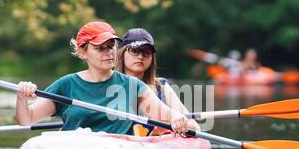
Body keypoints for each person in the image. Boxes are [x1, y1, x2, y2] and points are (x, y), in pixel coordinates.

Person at [14, 21, 190, 136]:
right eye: (100, 48)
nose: (108, 53)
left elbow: (167, 115)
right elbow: (26, 120)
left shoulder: (133, 86)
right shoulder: (66, 85)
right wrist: (21, 97)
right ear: (83, 52)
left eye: (111, 46)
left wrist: (176, 117)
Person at [116, 27, 192, 136]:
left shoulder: (161, 87)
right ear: (122, 53)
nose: (140, 56)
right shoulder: (109, 84)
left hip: (154, 147)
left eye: (146, 52)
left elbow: (193, 125)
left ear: (152, 58)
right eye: (135, 51)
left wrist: (173, 127)